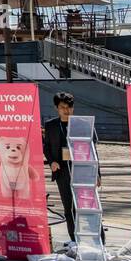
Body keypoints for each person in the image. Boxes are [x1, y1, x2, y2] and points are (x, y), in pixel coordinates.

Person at [41, 91, 99, 246]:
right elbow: (46, 147)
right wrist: (52, 161)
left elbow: (93, 149)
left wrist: (97, 173)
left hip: (83, 171)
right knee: (69, 207)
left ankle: (96, 239)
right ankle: (74, 239)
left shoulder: (83, 124)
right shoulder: (51, 125)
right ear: (56, 108)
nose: (67, 111)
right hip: (62, 171)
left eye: (69, 107)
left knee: (88, 206)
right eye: (63, 107)